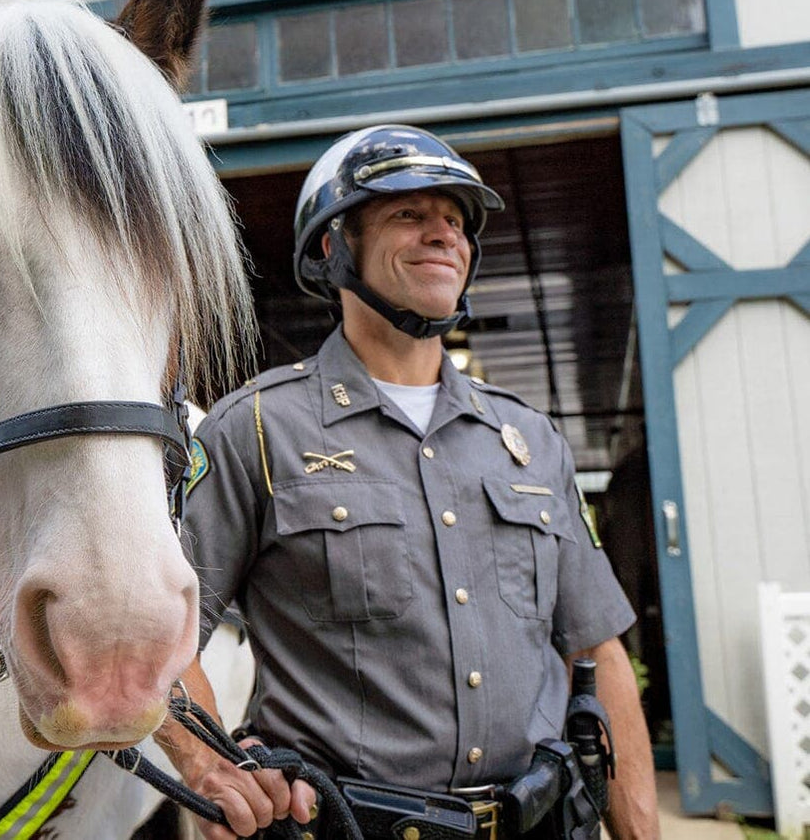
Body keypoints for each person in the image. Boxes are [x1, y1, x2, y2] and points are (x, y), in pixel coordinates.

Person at [157, 126, 660, 840]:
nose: (442, 235)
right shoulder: (255, 431)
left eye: (454, 221)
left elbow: (595, 650)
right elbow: (159, 640)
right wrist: (210, 767)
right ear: (333, 247)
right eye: (407, 215)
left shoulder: (527, 441)